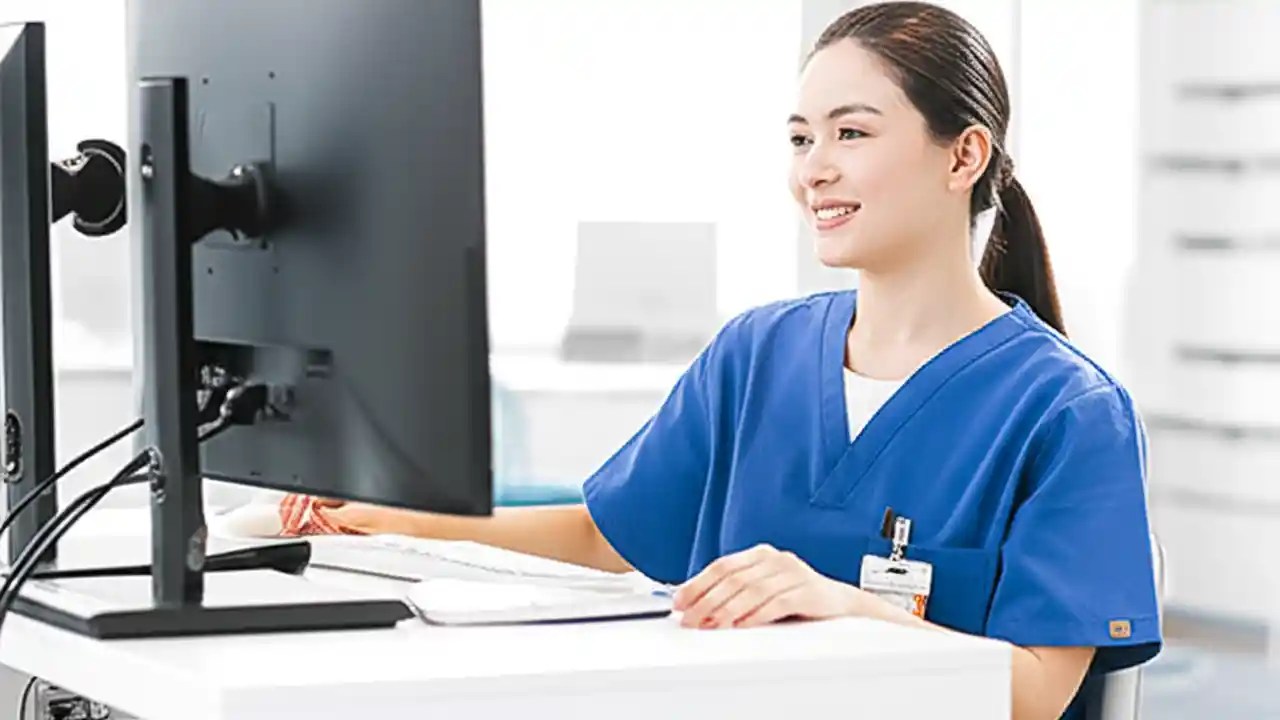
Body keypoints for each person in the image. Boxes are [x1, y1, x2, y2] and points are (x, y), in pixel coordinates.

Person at [284, 3, 1160, 717]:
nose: (813, 170)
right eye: (799, 139)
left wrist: (844, 604)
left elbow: (1041, 691)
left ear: (963, 155)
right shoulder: (756, 354)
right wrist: (394, 517)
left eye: (851, 134)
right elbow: (606, 533)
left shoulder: (1065, 410)